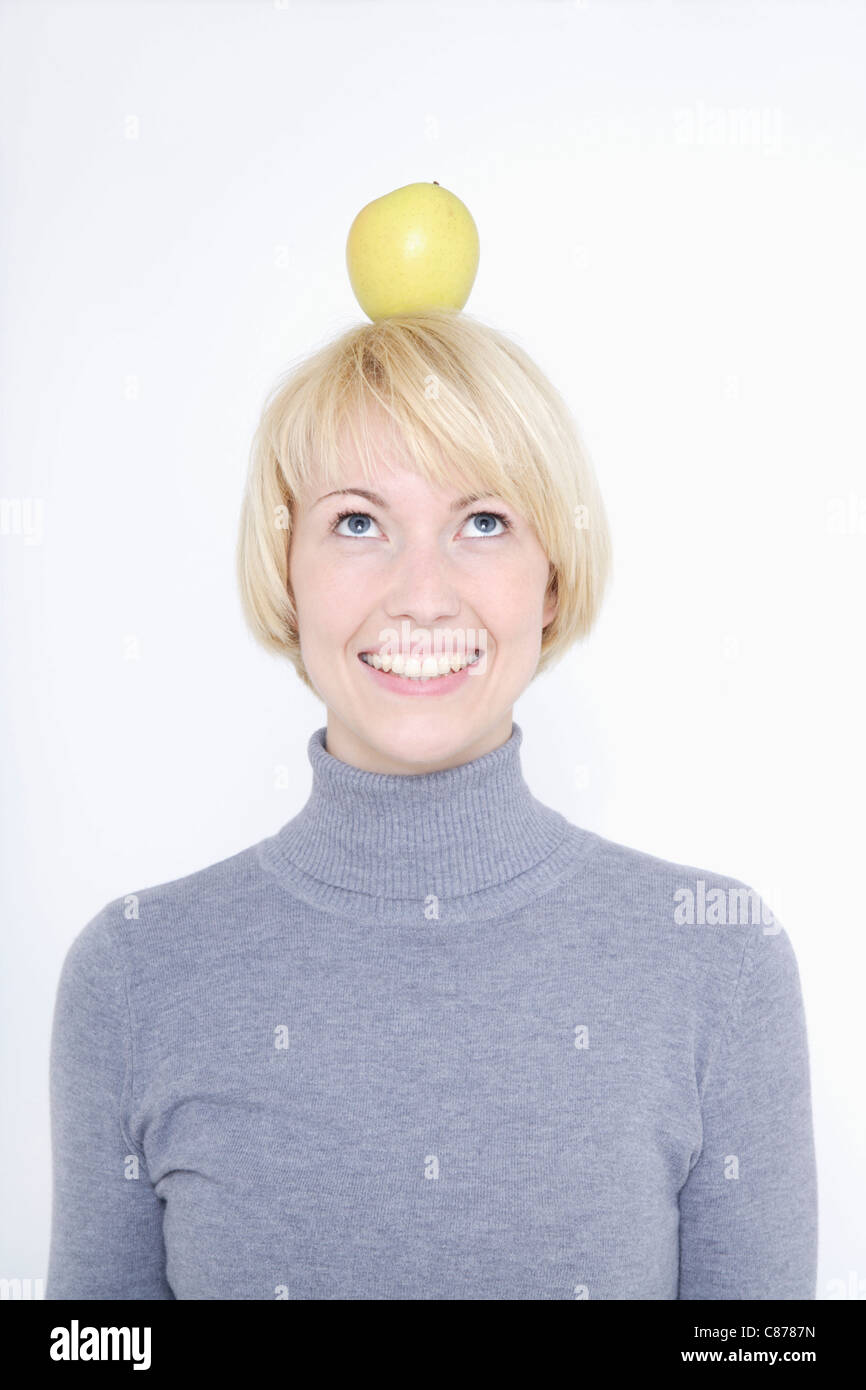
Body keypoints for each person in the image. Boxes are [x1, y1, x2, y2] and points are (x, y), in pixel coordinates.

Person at [46, 309, 817, 1299]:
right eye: (357, 523)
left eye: (482, 522)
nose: (422, 594)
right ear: (287, 571)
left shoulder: (718, 959)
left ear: (549, 579)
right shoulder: (133, 970)